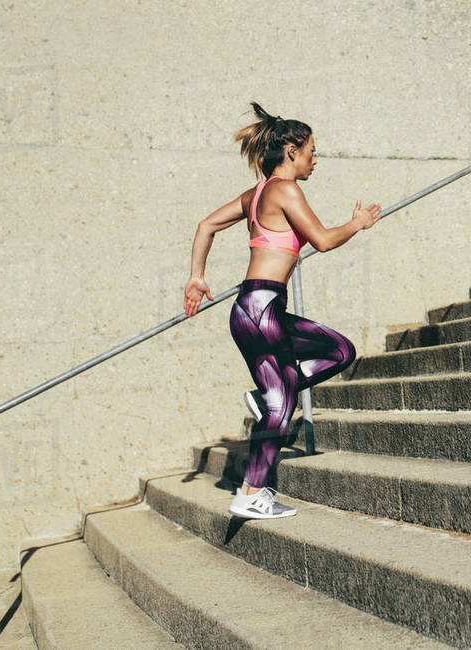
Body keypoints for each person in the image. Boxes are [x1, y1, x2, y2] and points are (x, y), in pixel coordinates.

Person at [182, 102, 381, 519]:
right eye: (311, 150)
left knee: (339, 352)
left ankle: (268, 397)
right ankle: (251, 493)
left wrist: (197, 276)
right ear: (291, 150)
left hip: (251, 308)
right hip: (263, 308)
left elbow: (206, 225)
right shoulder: (286, 189)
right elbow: (323, 240)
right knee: (283, 402)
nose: (315, 158)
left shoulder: (255, 194)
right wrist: (357, 223)